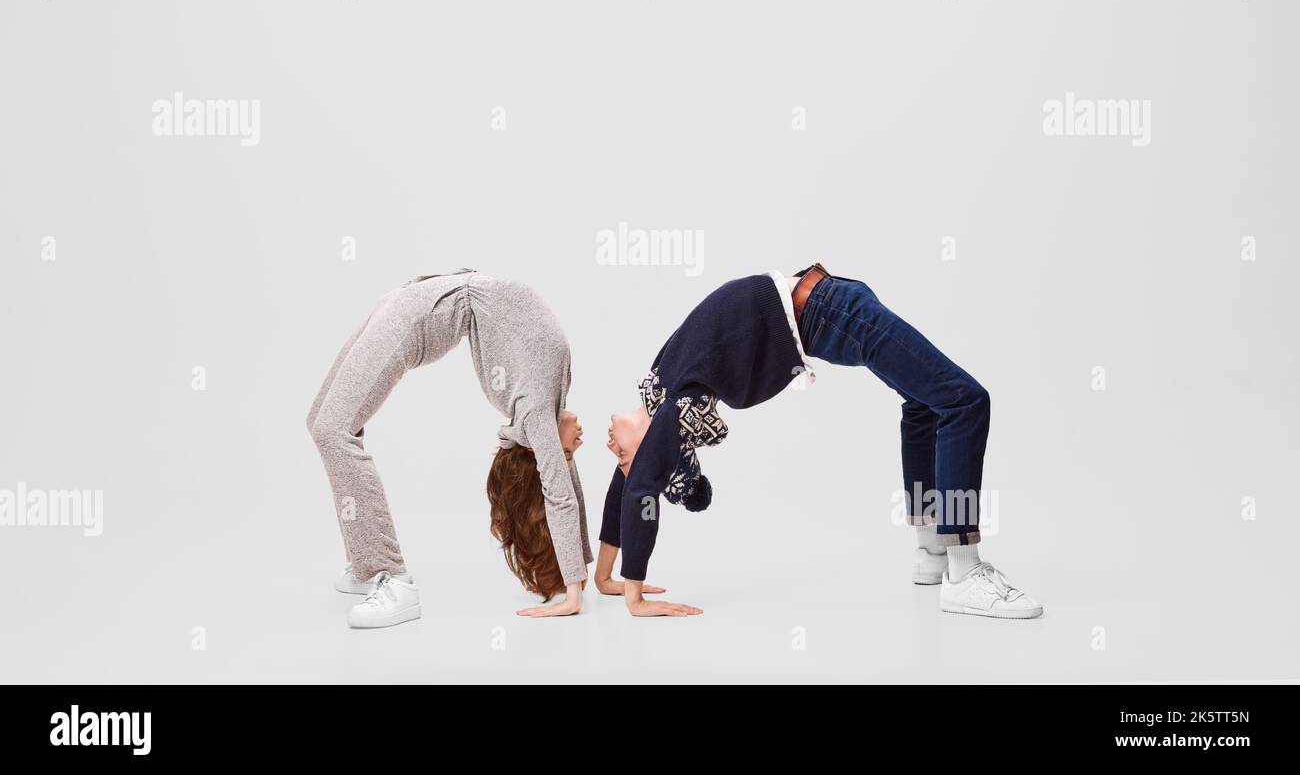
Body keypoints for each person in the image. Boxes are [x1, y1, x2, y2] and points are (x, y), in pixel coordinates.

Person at [601, 263, 1043, 619]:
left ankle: (931, 551)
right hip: (831, 311)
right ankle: (963, 571)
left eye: (618, 457)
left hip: (829, 302)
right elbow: (641, 487)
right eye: (624, 457)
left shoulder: (660, 381)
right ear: (659, 448)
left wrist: (606, 576)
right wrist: (635, 597)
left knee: (922, 404)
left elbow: (629, 486)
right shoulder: (680, 402)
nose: (611, 447)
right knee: (965, 402)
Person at [306, 269, 592, 628]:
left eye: (564, 455)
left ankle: (391, 577)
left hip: (422, 314)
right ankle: (366, 563)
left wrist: (574, 591)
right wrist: (587, 571)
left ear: (538, 452)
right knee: (320, 422)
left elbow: (560, 494)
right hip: (417, 294)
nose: (578, 445)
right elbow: (566, 488)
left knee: (333, 430)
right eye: (568, 455)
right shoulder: (552, 397)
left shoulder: (535, 414)